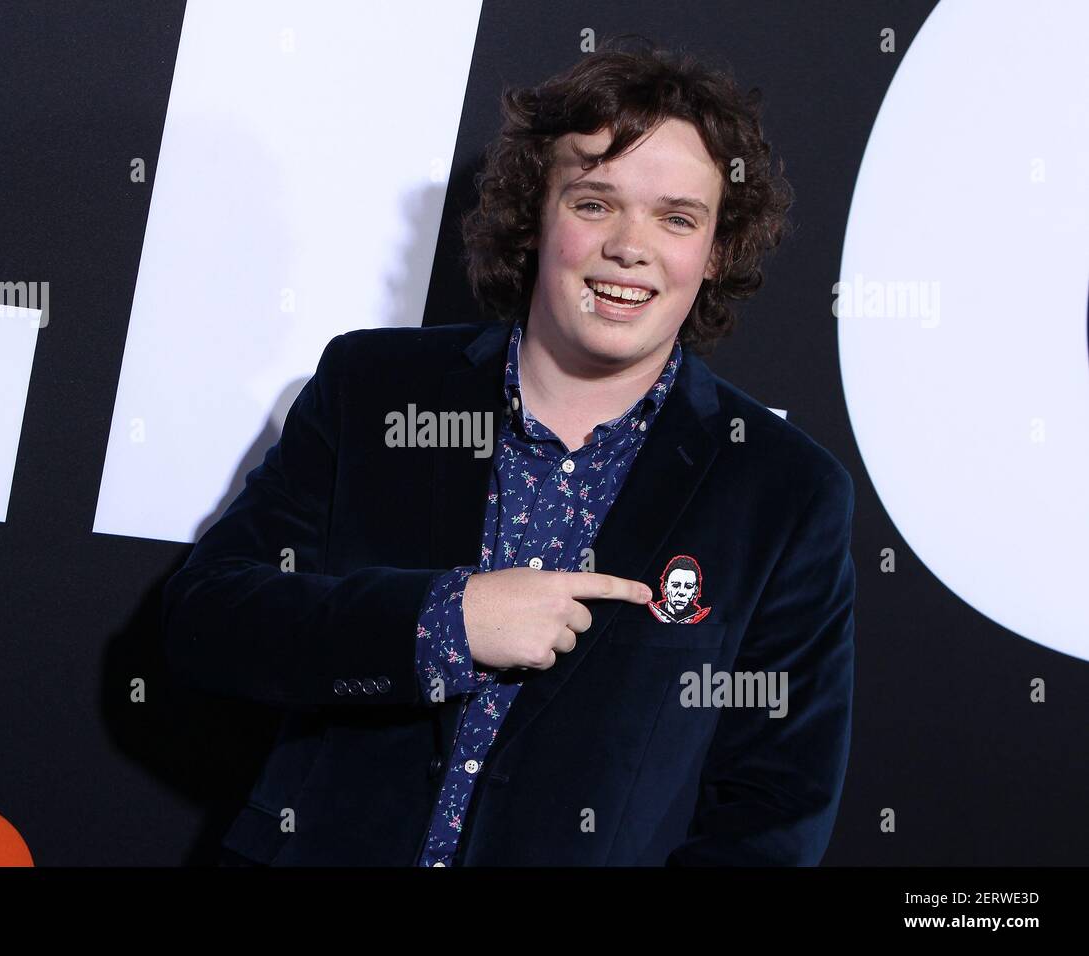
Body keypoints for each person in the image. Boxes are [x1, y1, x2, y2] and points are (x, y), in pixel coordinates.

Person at [161, 39, 855, 866]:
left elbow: (775, 808)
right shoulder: (373, 386)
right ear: (536, 216)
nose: (630, 246)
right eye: (595, 203)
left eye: (677, 217)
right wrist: (439, 622)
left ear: (716, 251)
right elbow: (208, 624)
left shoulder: (783, 491)